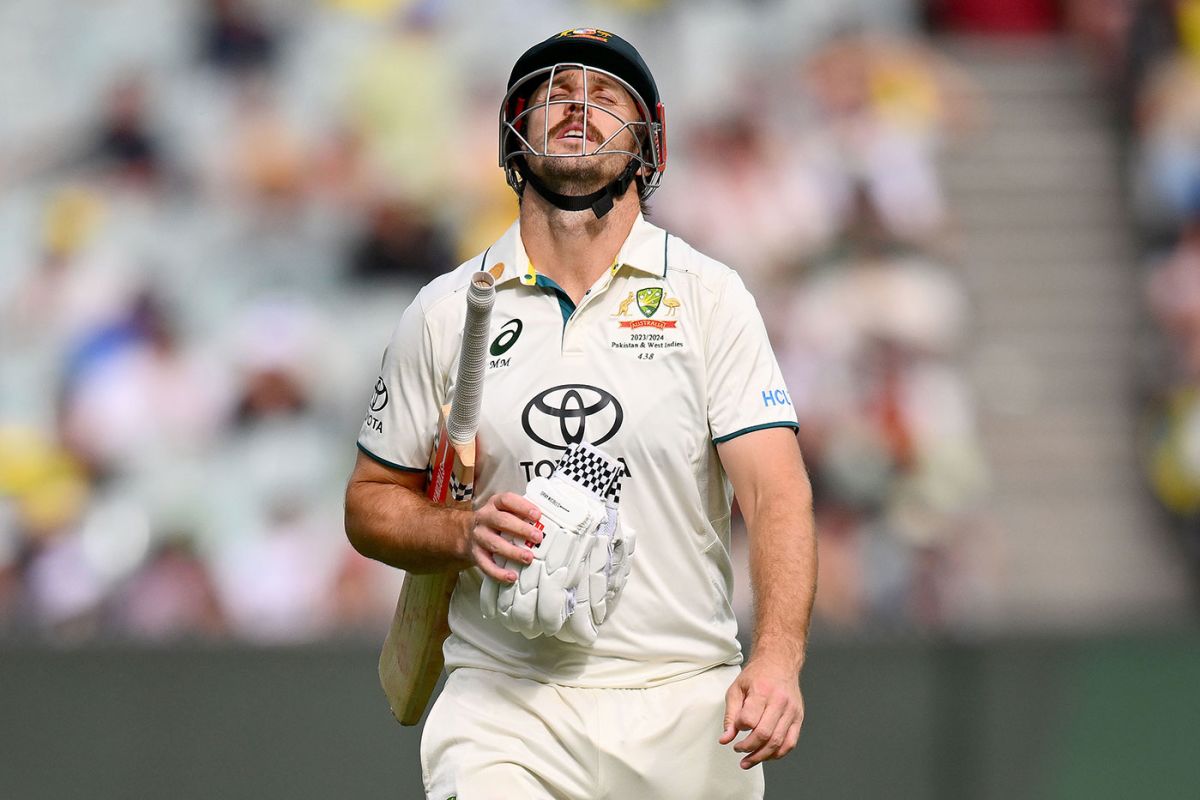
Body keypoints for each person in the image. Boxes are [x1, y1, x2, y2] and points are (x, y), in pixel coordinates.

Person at [344, 27, 817, 799]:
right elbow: (369, 504)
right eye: (556, 94)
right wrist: (459, 532)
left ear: (647, 143)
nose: (578, 106)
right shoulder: (445, 311)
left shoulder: (709, 297)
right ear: (515, 132)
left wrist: (777, 658)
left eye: (605, 96)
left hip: (685, 701)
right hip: (503, 702)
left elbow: (777, 494)